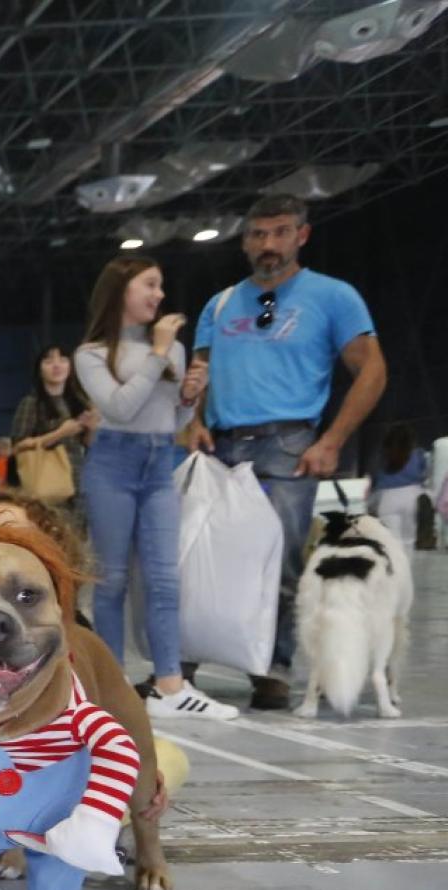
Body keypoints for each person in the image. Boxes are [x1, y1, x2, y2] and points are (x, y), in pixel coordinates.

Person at [191, 193, 387, 710]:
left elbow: (372, 370)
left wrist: (333, 440)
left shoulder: (333, 296)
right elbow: (199, 373)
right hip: (220, 446)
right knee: (203, 557)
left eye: (280, 232)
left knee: (278, 564)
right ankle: (184, 663)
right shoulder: (221, 303)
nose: (268, 244)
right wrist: (191, 420)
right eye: (258, 234)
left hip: (290, 444)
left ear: (301, 235)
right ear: (245, 241)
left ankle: (272, 670)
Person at [75, 255, 238, 720]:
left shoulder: (172, 350)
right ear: (122, 289)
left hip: (158, 462)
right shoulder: (90, 354)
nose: (159, 295)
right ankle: (112, 686)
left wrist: (189, 397)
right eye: (149, 285)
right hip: (111, 463)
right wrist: (160, 355)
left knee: (165, 578)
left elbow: (174, 420)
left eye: (161, 285)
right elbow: (120, 408)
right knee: (112, 581)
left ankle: (171, 685)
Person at [7, 346, 97, 499]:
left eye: (62, 360)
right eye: (49, 361)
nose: (56, 365)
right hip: (49, 483)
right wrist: (60, 433)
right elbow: (18, 446)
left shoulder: (78, 402)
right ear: (40, 370)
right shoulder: (31, 403)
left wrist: (92, 428)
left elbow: (88, 444)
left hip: (79, 481)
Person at [368, 425, 426, 551]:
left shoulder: (381, 458)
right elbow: (425, 476)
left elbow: (373, 481)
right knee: (409, 542)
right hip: (412, 498)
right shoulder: (418, 454)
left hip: (386, 499)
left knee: (391, 544)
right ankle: (408, 569)